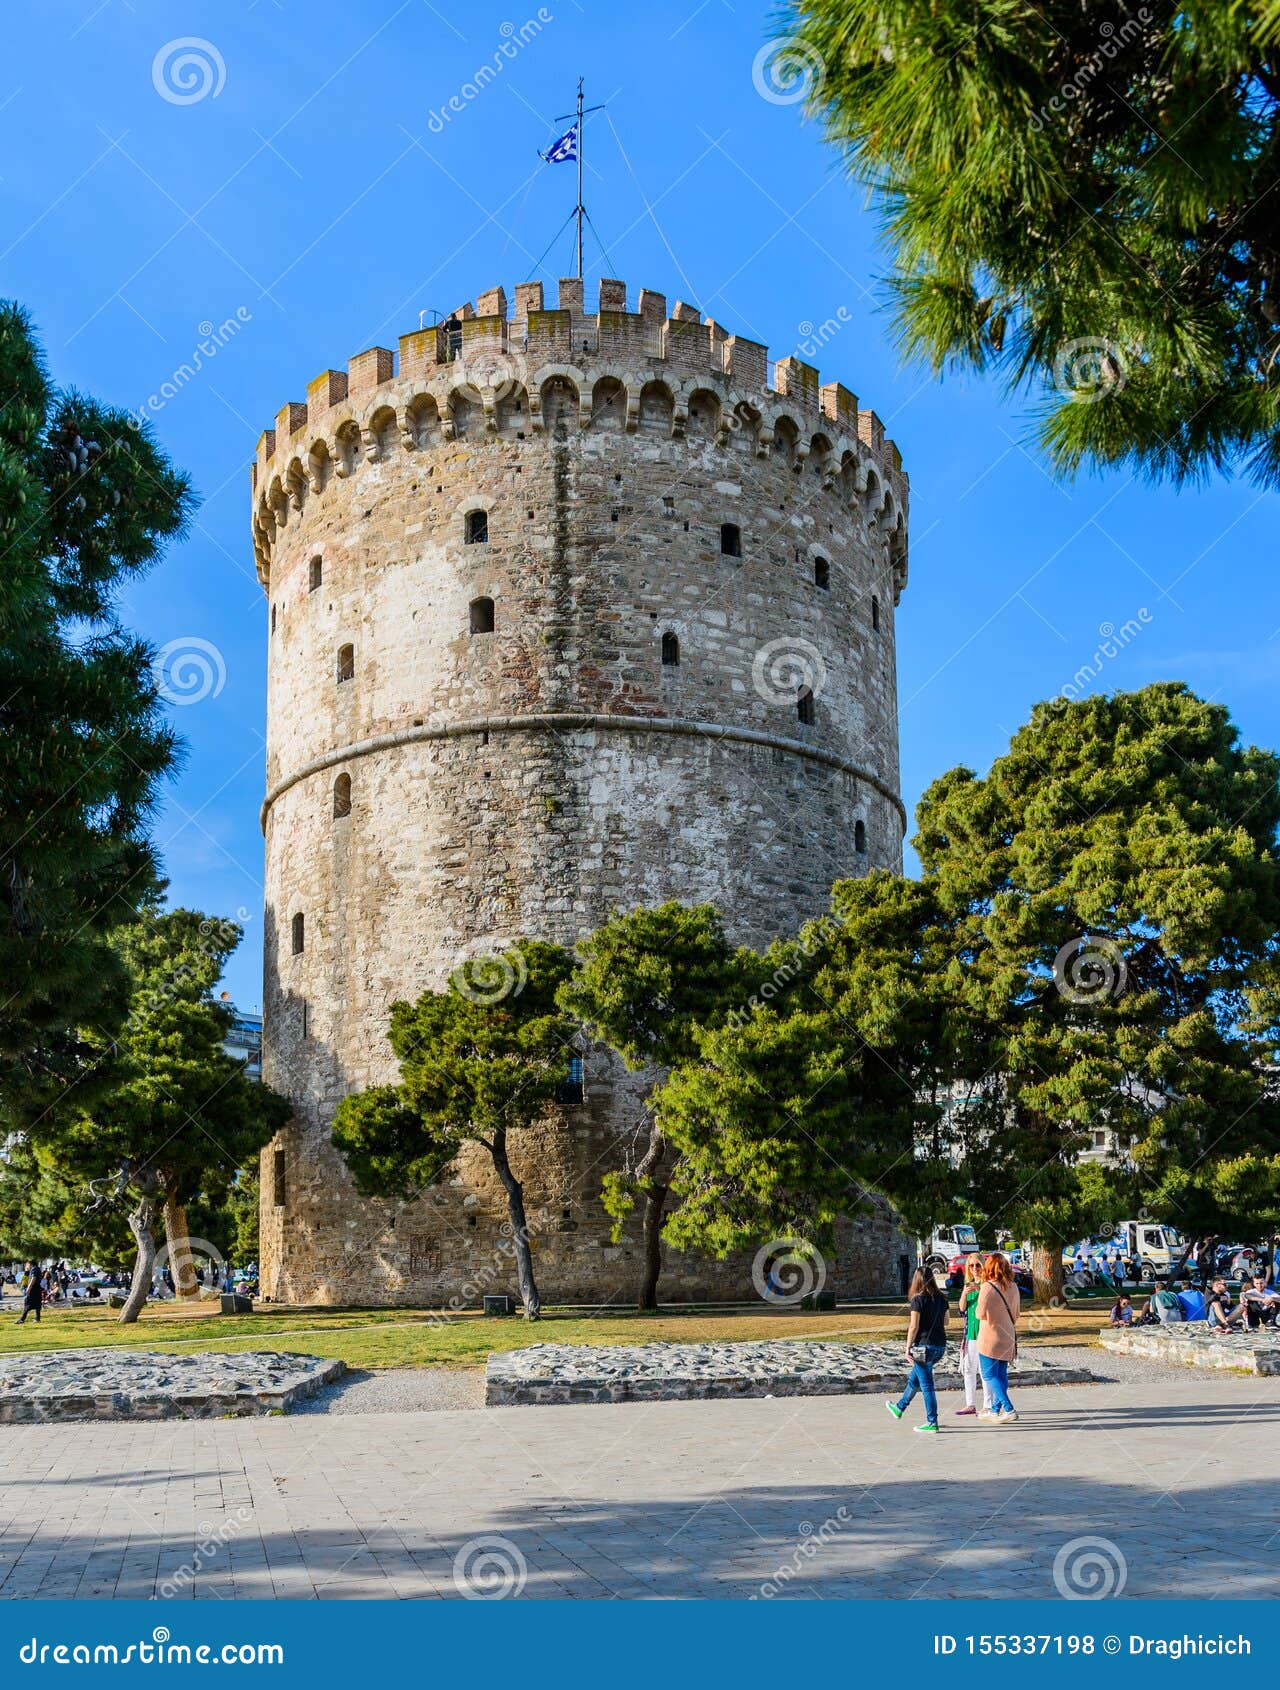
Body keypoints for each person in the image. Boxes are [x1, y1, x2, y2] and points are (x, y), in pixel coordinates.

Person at [885, 1263, 948, 1434]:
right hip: (939, 1346)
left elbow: (913, 1326)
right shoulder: (942, 1299)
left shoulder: (917, 1300)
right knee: (915, 1379)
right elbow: (947, 1321)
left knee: (927, 1386)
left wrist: (907, 1348)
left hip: (923, 1348)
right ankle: (899, 1407)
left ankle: (932, 1421)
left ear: (916, 1281)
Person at [976, 1252, 1021, 1423]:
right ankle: (995, 1409)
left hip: (990, 1336)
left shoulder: (987, 1287)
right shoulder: (1013, 1286)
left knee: (988, 1375)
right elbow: (1016, 1314)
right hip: (1008, 1334)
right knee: (1001, 1374)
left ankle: (1009, 1409)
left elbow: (980, 1314)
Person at [954, 1255, 992, 1417]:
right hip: (970, 1334)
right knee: (969, 1369)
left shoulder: (988, 1284)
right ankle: (970, 1404)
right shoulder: (967, 1285)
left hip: (985, 1334)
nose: (975, 1269)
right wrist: (964, 1293)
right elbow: (961, 1310)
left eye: (977, 1265)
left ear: (983, 1266)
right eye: (971, 1266)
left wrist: (981, 1290)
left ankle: (988, 1405)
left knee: (984, 1371)